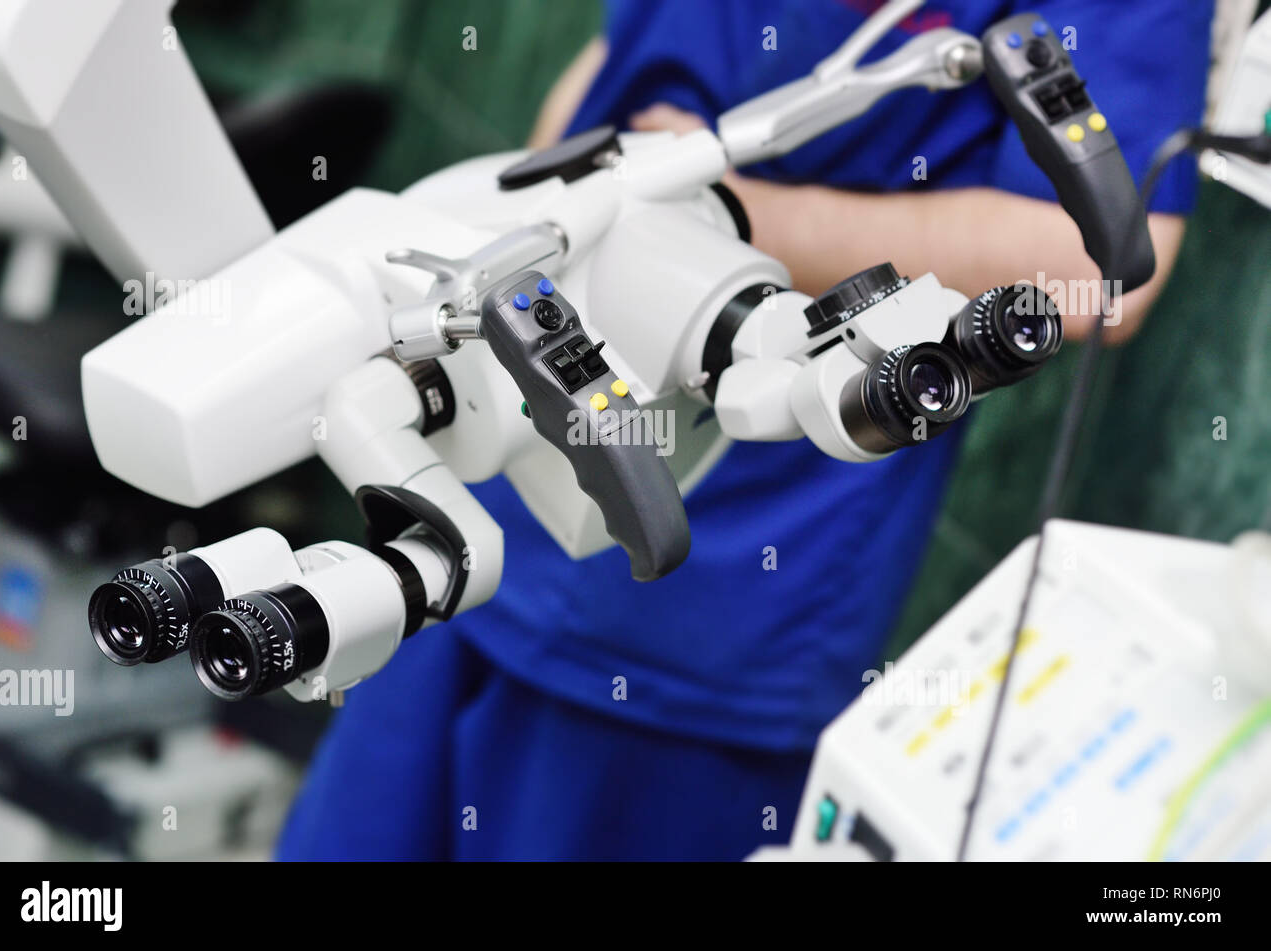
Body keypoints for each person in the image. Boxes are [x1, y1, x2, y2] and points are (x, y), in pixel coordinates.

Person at [278, 0, 1212, 860]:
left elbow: (1103, 263)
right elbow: (622, 55)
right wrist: (534, 207)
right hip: (487, 495)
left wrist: (710, 214)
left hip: (718, 592)